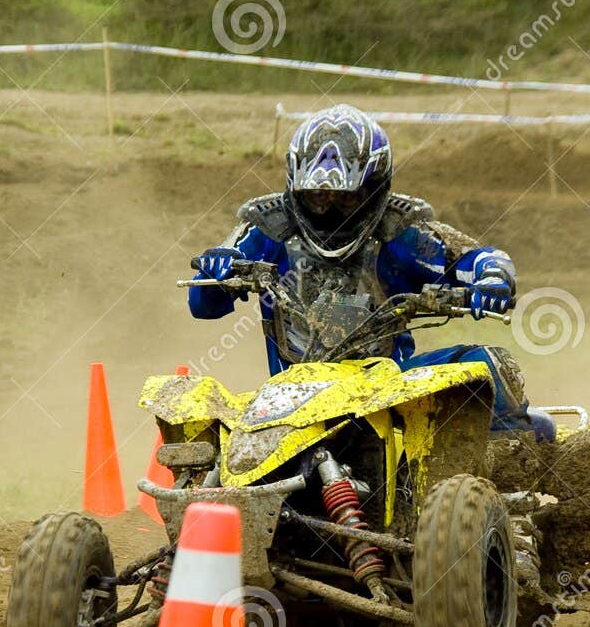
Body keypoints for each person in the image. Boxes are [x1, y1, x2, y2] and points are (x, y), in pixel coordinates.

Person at [187, 102, 545, 436]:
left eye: (345, 198)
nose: (330, 210)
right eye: (318, 197)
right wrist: (215, 270)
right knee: (193, 409)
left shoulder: (400, 231)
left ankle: (508, 465)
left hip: (389, 389)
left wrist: (492, 279)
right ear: (295, 188)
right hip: (292, 397)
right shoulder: (267, 229)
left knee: (486, 365)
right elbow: (204, 306)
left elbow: (474, 257)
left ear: (376, 190)